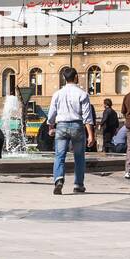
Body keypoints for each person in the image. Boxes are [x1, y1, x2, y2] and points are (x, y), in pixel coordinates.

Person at [46, 66, 95, 195]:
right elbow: (87, 117)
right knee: (79, 157)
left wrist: (51, 126)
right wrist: (90, 135)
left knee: (59, 155)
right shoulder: (83, 94)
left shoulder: (57, 94)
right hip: (77, 126)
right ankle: (78, 184)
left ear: (64, 78)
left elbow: (51, 114)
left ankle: (59, 180)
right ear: (76, 77)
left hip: (61, 126)